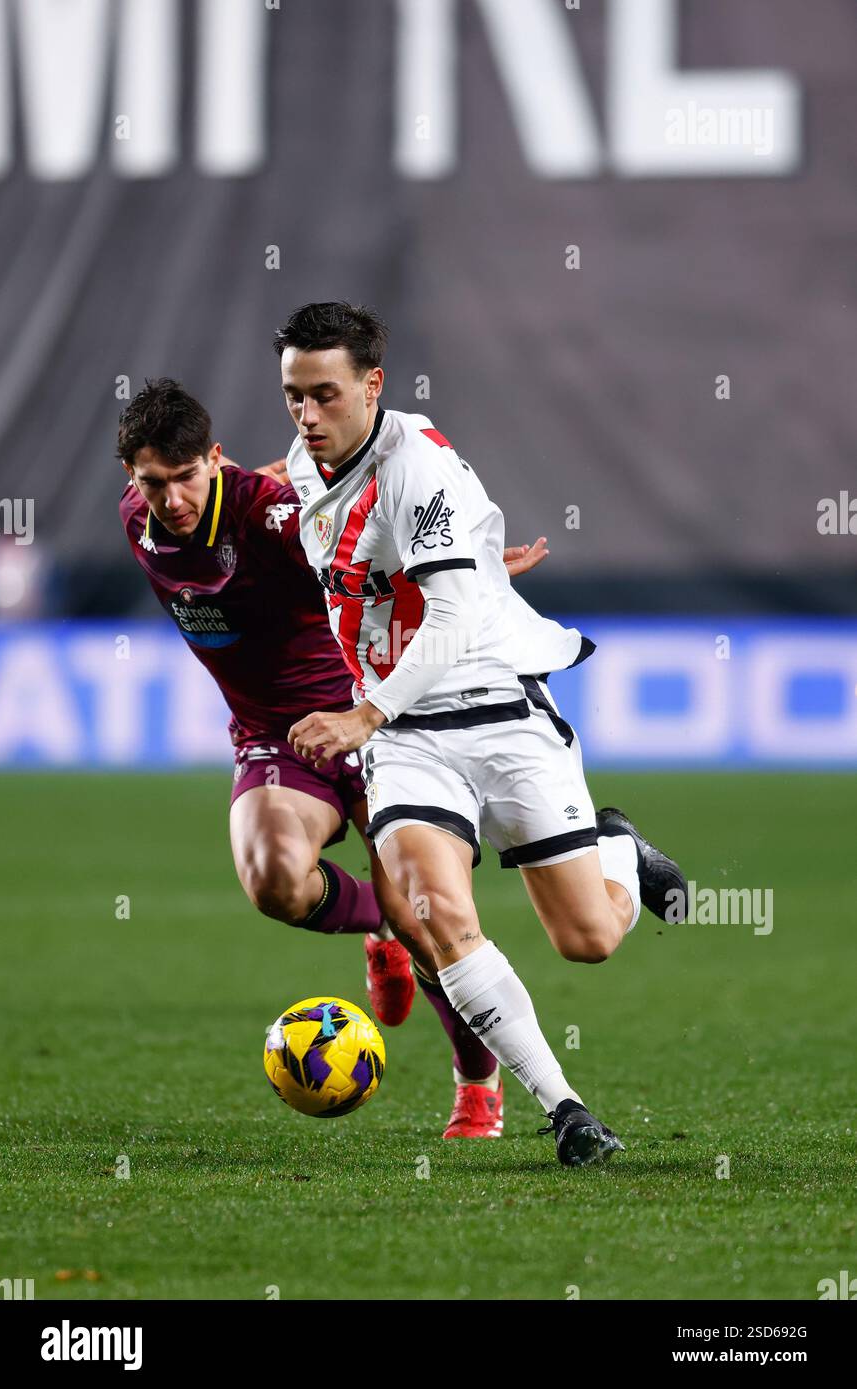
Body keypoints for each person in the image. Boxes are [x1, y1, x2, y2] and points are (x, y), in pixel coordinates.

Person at [278, 302, 688, 1167]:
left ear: (373, 386)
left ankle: (619, 847)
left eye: (324, 395)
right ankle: (567, 1111)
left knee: (589, 940)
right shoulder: (305, 467)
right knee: (436, 915)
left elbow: (458, 615)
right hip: (411, 742)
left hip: (498, 712)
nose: (308, 416)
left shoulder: (416, 469)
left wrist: (364, 711)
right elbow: (382, 570)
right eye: (293, 397)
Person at [116, 377, 549, 1138]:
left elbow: (371, 546)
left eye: (188, 477)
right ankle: (379, 931)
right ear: (133, 479)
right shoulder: (139, 522)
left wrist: (466, 572)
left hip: (370, 718)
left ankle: (477, 1084)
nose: (174, 498)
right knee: (275, 883)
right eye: (155, 483)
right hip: (274, 734)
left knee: (427, 921)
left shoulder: (275, 520)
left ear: (213, 461)